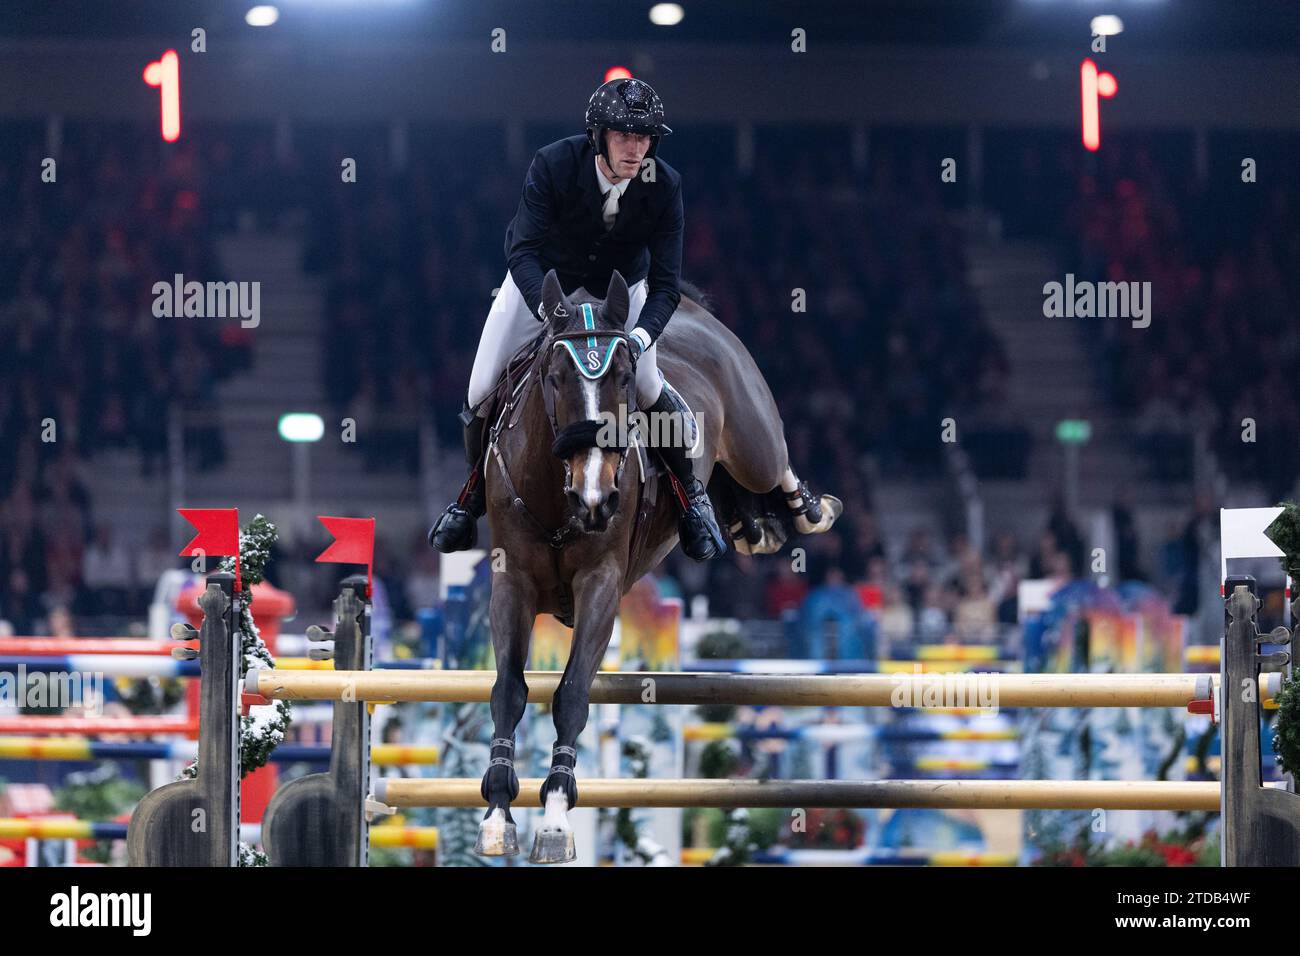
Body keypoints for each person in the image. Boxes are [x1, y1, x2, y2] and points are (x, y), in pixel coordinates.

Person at [429, 77, 727, 560]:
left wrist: (641, 338)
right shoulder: (553, 164)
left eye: (645, 136)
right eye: (625, 135)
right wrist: (552, 313)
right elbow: (521, 249)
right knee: (481, 386)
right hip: (545, 284)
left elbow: (668, 284)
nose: (636, 148)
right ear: (598, 136)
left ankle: (691, 495)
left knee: (648, 387)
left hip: (620, 289)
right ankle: (471, 497)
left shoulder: (664, 184)